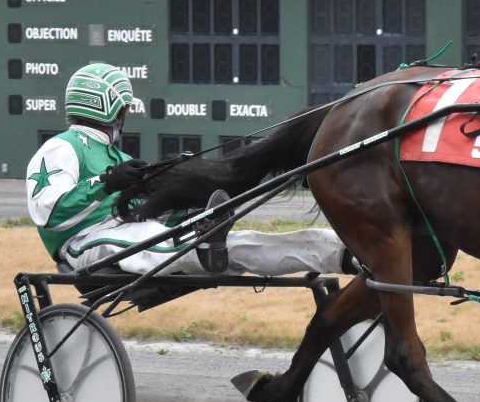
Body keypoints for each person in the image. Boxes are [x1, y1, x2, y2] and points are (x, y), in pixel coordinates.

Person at [24, 63, 346, 277]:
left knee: (240, 244)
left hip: (125, 229)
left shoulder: (117, 154)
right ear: (110, 108)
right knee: (153, 240)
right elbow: (49, 215)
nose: (126, 116)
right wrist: (106, 183)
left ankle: (340, 253)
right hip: (82, 243)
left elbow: (128, 208)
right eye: (125, 109)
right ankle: (200, 241)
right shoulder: (62, 147)